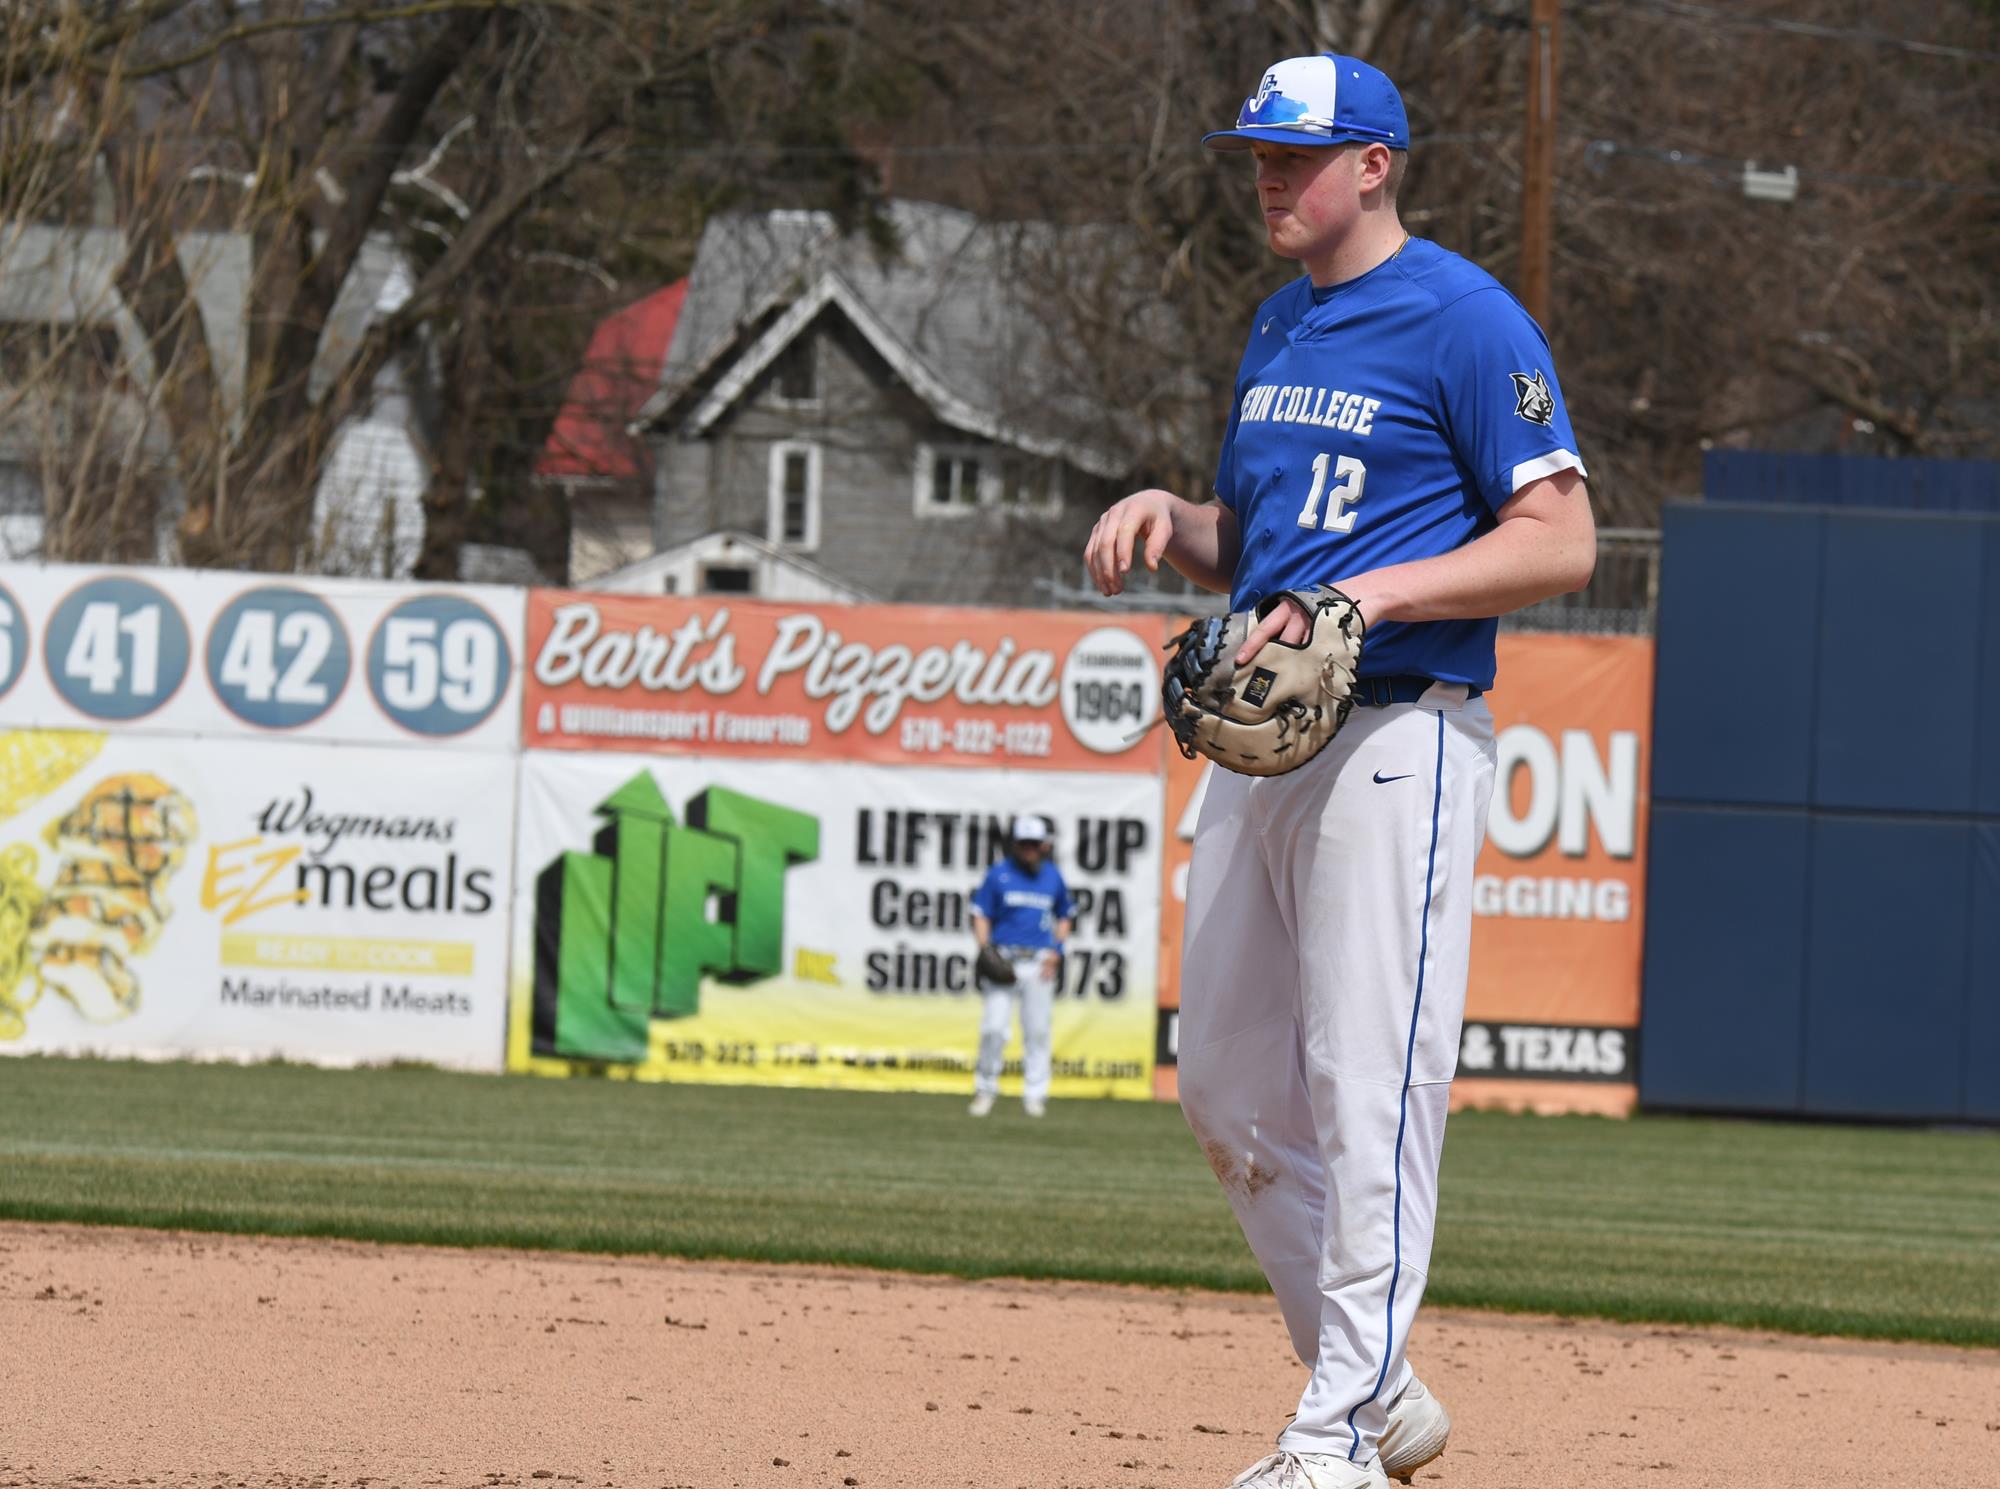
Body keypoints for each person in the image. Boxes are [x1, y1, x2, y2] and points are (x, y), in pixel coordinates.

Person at [1083, 54, 1596, 1489]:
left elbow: (1562, 538)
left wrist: (1385, 595)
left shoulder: (1465, 319)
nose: (1266, 175)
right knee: (1228, 1091)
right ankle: (1381, 1394)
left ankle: (1333, 1446)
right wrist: (1171, 513)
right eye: (1255, 151)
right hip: (1266, 745)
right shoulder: (1279, 326)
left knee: (1366, 1085)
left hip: (1400, 733)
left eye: (1294, 154)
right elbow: (1265, 552)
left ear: (1376, 164)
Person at [967, 814, 1074, 1118]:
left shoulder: (1052, 876)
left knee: (1038, 1030)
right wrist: (985, 949)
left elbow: (1065, 914)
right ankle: (985, 1089)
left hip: (1038, 962)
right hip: (1005, 959)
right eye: (1023, 843)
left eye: (1034, 843)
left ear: (1044, 845)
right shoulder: (998, 874)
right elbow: (980, 913)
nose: (1029, 848)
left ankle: (1035, 1093)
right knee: (993, 1028)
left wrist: (1058, 950)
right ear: (1014, 844)